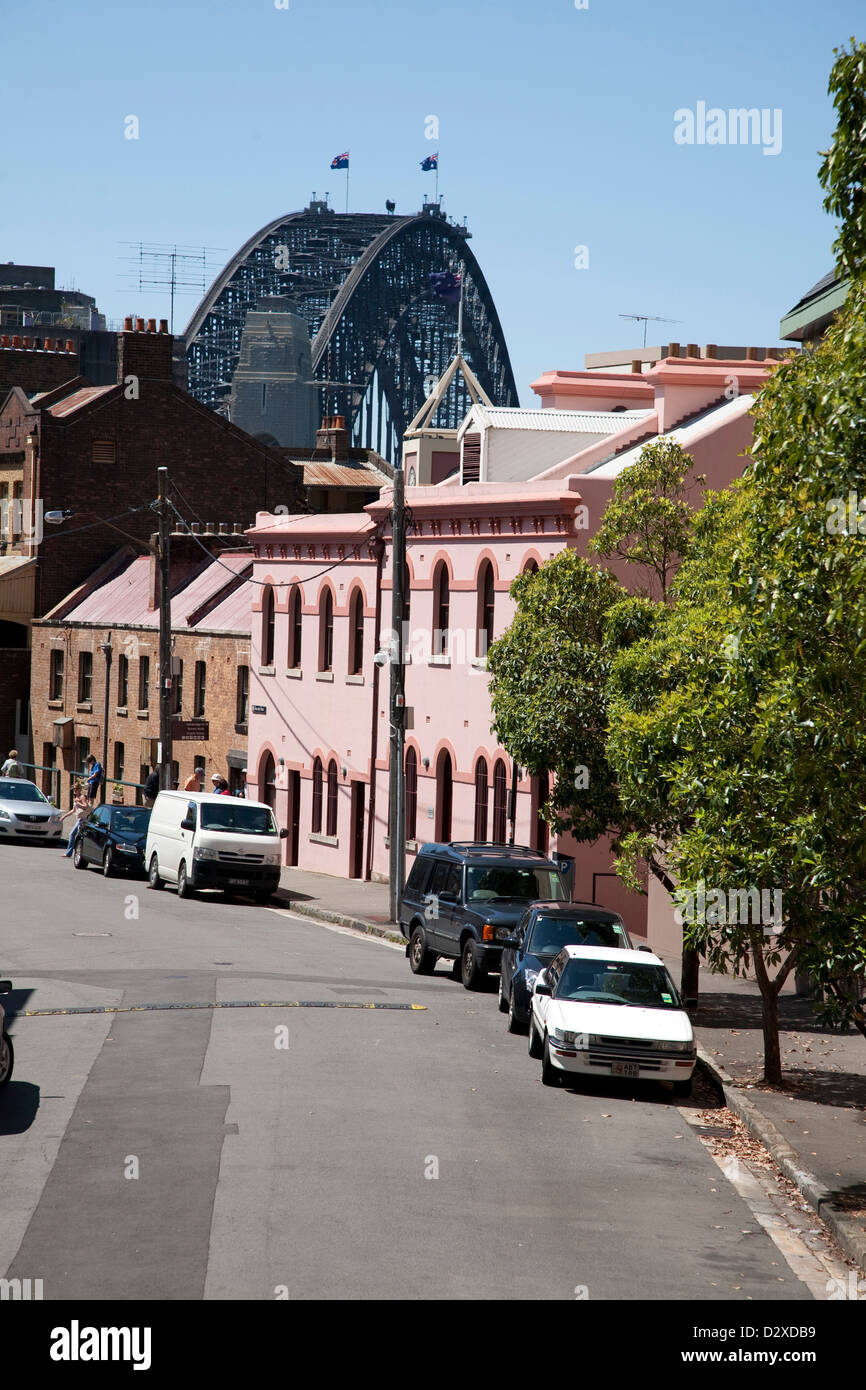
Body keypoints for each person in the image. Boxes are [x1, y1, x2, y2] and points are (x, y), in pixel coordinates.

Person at [63, 783, 90, 858]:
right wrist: (64, 816)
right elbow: (74, 810)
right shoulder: (77, 798)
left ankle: (70, 853)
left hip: (82, 820)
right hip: (79, 819)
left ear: (80, 789)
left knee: (72, 834)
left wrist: (78, 803)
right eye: (74, 789)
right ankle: (76, 853)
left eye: (76, 789)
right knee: (78, 836)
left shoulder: (82, 797)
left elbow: (86, 806)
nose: (75, 791)